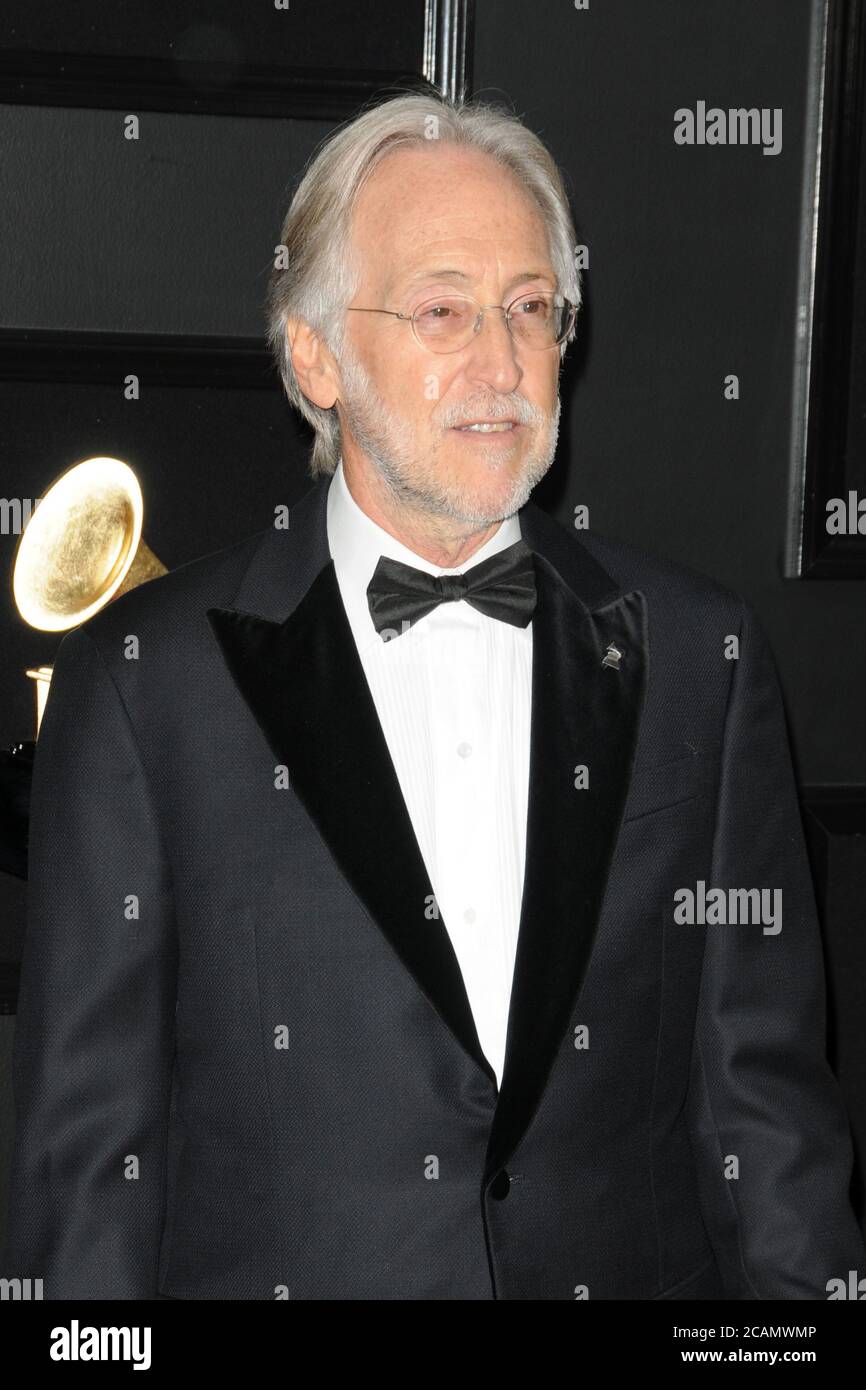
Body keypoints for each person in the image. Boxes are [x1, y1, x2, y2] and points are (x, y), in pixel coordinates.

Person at [4, 92, 864, 1300]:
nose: (503, 364)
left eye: (529, 309)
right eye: (442, 309)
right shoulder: (145, 691)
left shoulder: (698, 654)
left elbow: (767, 1120)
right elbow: (88, 1165)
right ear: (315, 355)